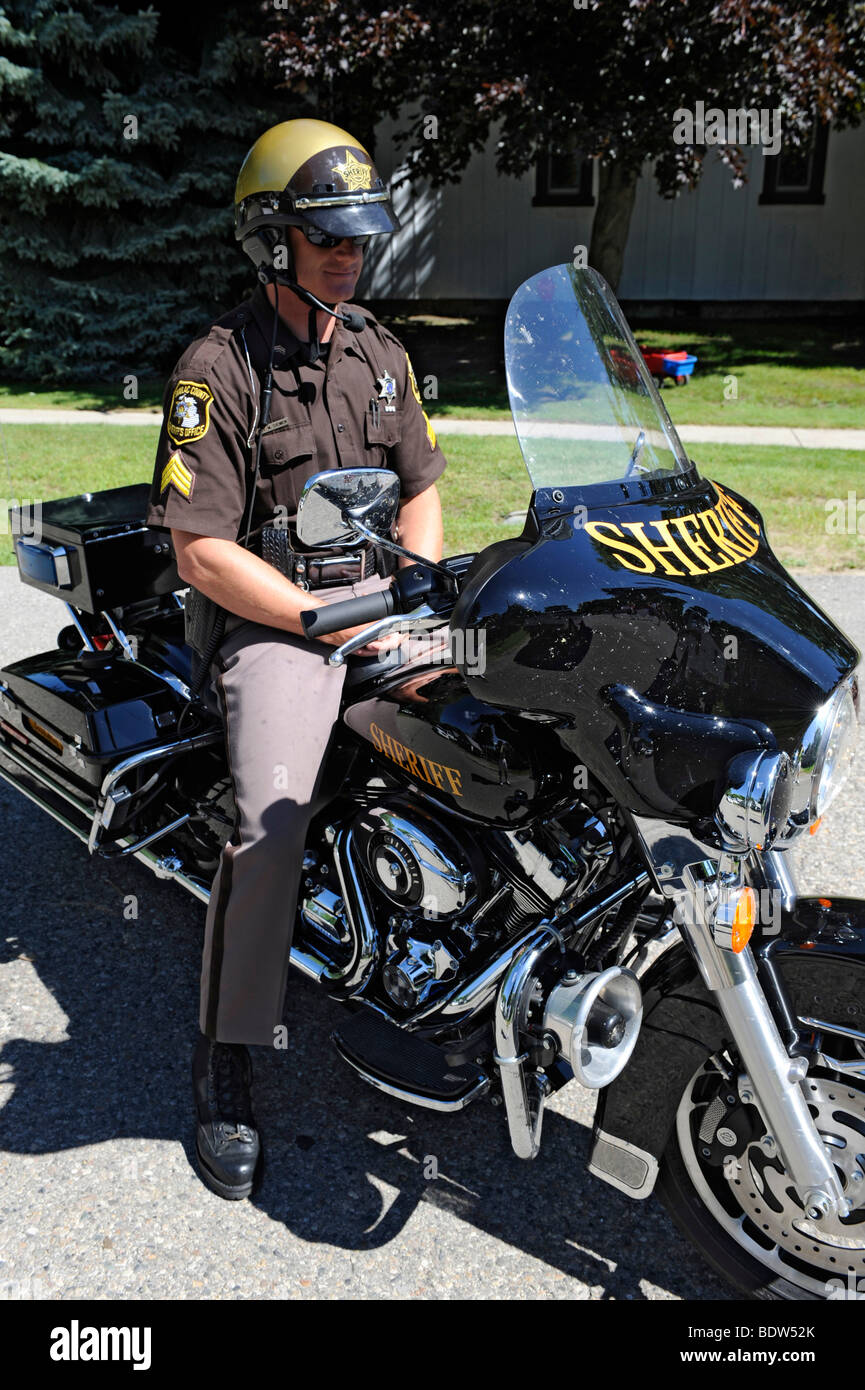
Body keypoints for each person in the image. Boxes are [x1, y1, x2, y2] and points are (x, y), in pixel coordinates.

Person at [144, 118, 447, 1200]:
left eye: (358, 237)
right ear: (270, 239)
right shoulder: (216, 370)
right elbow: (202, 552)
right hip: (277, 624)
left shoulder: (379, 353)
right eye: (324, 236)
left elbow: (420, 486)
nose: (347, 254)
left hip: (380, 606)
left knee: (513, 710)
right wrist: (320, 624)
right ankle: (227, 1049)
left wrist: (416, 590)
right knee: (270, 821)